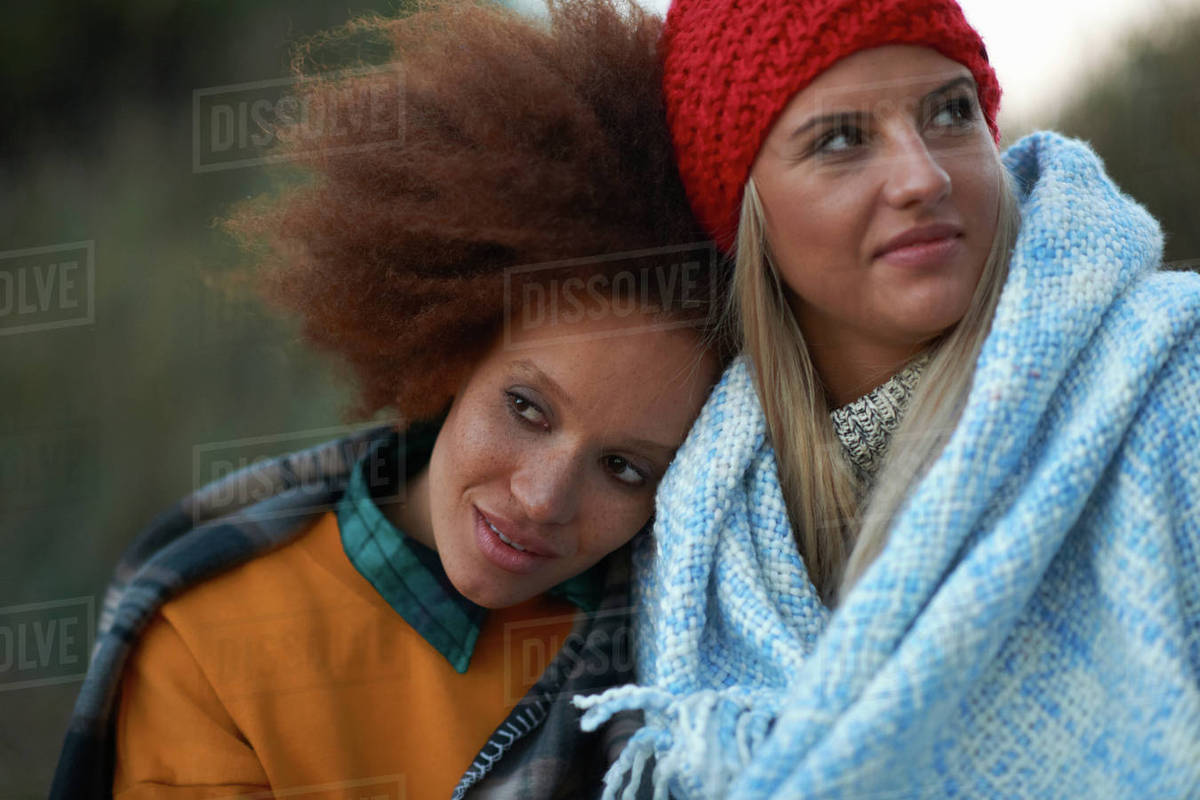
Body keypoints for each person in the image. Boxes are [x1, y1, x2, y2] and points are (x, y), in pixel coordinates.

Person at [49, 1, 728, 797]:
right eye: (526, 408)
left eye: (623, 468)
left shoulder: (693, 653)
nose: (543, 500)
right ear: (450, 348)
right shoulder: (210, 636)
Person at [576, 0, 1200, 797]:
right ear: (743, 207)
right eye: (841, 138)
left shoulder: (1169, 381)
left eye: (950, 112)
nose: (922, 176)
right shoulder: (691, 524)